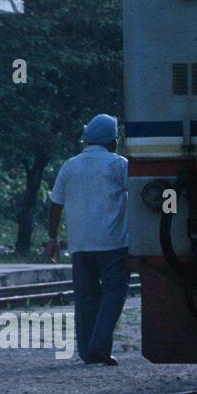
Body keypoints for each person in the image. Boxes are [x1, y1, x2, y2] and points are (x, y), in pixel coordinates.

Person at [45, 114, 130, 366]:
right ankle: (99, 347)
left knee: (85, 298)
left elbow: (55, 204)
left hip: (80, 244)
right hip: (113, 242)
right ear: (113, 140)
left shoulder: (70, 165)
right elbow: (138, 195)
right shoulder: (118, 164)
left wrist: (53, 238)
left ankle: (87, 352)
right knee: (114, 293)